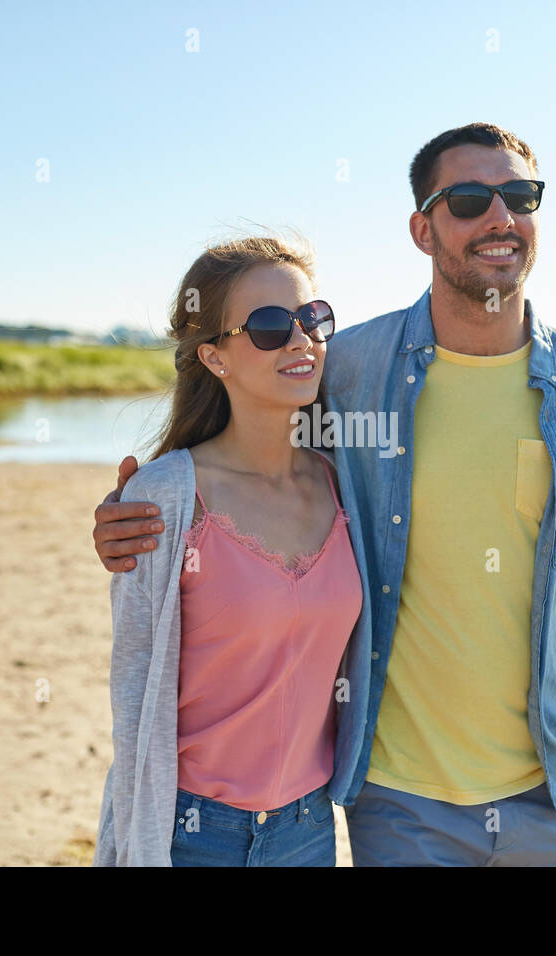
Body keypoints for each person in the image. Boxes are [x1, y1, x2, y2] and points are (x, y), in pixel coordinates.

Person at [93, 123, 556, 866]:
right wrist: (130, 515)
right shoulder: (350, 371)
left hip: (548, 793)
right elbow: (242, 444)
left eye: (519, 196)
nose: (500, 217)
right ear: (423, 229)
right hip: (393, 792)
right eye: (471, 199)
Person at [92, 233, 361, 866]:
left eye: (312, 318)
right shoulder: (166, 495)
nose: (301, 341)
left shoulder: (344, 483)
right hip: (190, 832)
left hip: (309, 830)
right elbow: (134, 685)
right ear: (214, 357)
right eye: (269, 326)